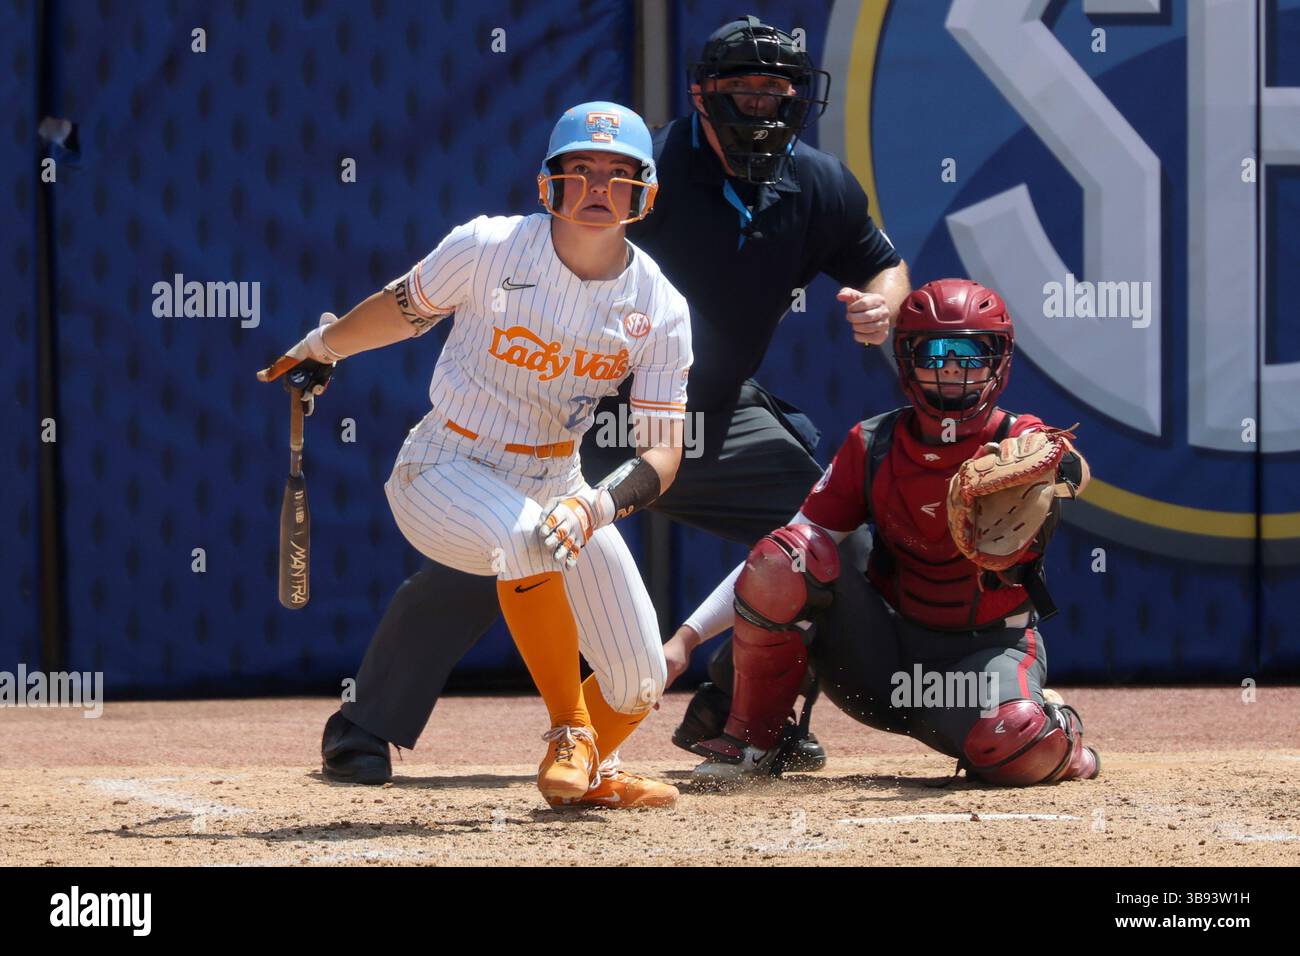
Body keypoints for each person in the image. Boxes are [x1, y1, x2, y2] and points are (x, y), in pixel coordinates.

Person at [319, 15, 911, 785]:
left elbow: (884, 265)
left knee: (828, 529)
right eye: (744, 89)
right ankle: (368, 724)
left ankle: (740, 716)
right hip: (583, 419)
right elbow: (556, 245)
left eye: (779, 90)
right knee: (506, 544)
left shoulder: (820, 185)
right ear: (702, 96)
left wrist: (886, 306)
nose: (763, 105)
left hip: (716, 418)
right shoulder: (641, 166)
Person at [260, 101, 692, 809]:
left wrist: (598, 504)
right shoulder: (489, 246)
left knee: (640, 679)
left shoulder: (661, 306)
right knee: (527, 542)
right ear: (546, 182)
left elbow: (664, 452)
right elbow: (403, 309)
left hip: (560, 478)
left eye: (618, 175)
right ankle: (570, 734)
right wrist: (322, 346)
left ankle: (587, 777)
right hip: (445, 467)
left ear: (645, 192)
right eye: (579, 169)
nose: (596, 189)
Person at [678, 279, 1101, 786]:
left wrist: (1051, 469)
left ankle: (1059, 731)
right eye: (934, 352)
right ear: (905, 360)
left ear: (998, 362)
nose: (950, 367)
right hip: (881, 662)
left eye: (969, 352)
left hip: (982, 658)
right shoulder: (872, 443)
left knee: (1020, 744)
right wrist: (685, 639)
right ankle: (754, 739)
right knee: (787, 556)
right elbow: (777, 558)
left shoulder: (1018, 438)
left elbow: (1071, 464)